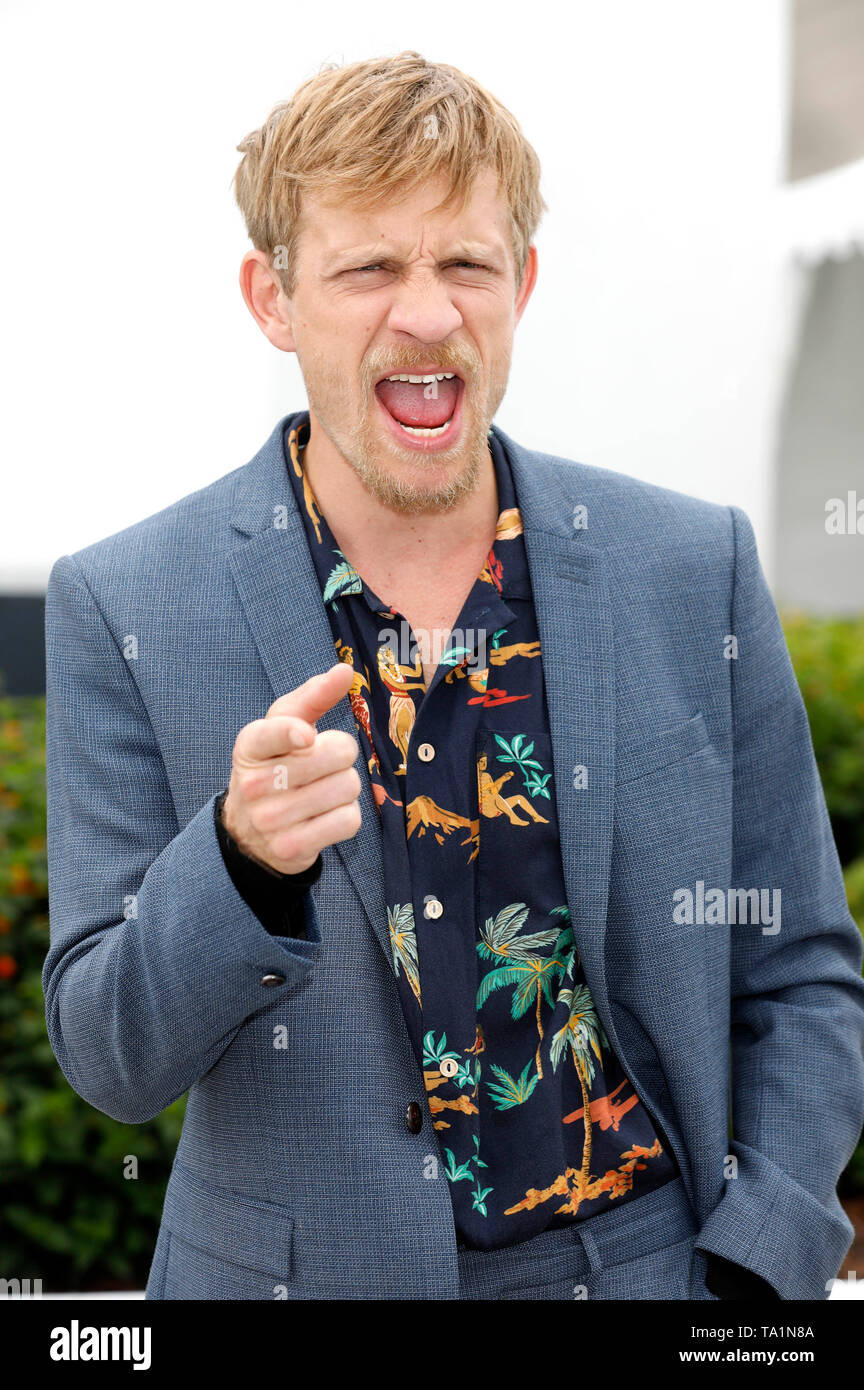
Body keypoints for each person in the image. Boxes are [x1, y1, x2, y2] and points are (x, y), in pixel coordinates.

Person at [43, 51, 864, 1301]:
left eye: (465, 264)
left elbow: (800, 969)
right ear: (273, 298)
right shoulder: (127, 600)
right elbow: (108, 1055)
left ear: (521, 283)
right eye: (370, 266)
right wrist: (236, 863)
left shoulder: (694, 569)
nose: (425, 313)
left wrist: (758, 1270)